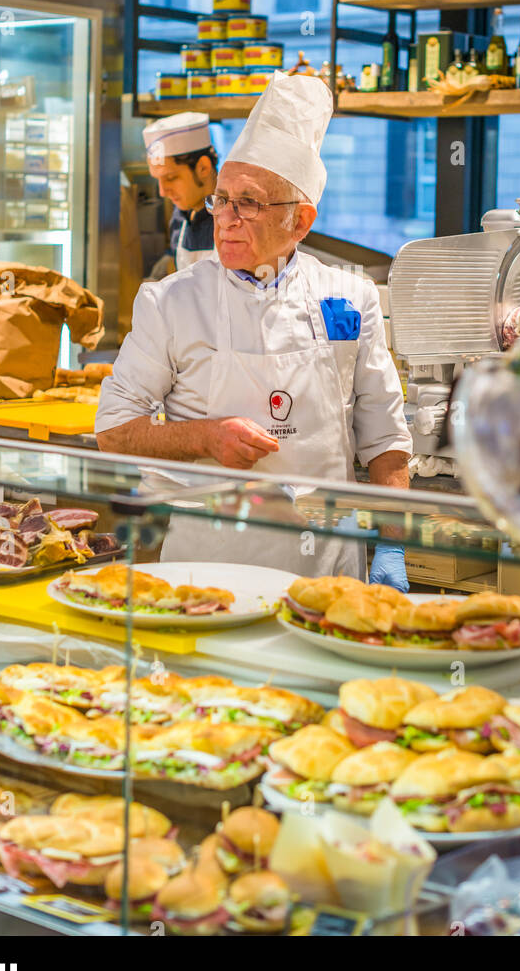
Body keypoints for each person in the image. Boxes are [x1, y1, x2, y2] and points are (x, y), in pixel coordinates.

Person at [97, 72, 412, 586]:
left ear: (301, 222)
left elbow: (384, 437)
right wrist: (205, 438)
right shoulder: (170, 302)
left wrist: (392, 545)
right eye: (221, 199)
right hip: (208, 570)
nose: (226, 218)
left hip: (328, 574)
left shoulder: (351, 298)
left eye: (249, 202)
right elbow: (113, 430)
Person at [143, 112, 217, 272]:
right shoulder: (179, 217)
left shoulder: (237, 219)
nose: (162, 192)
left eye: (171, 177)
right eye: (158, 179)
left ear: (203, 167)